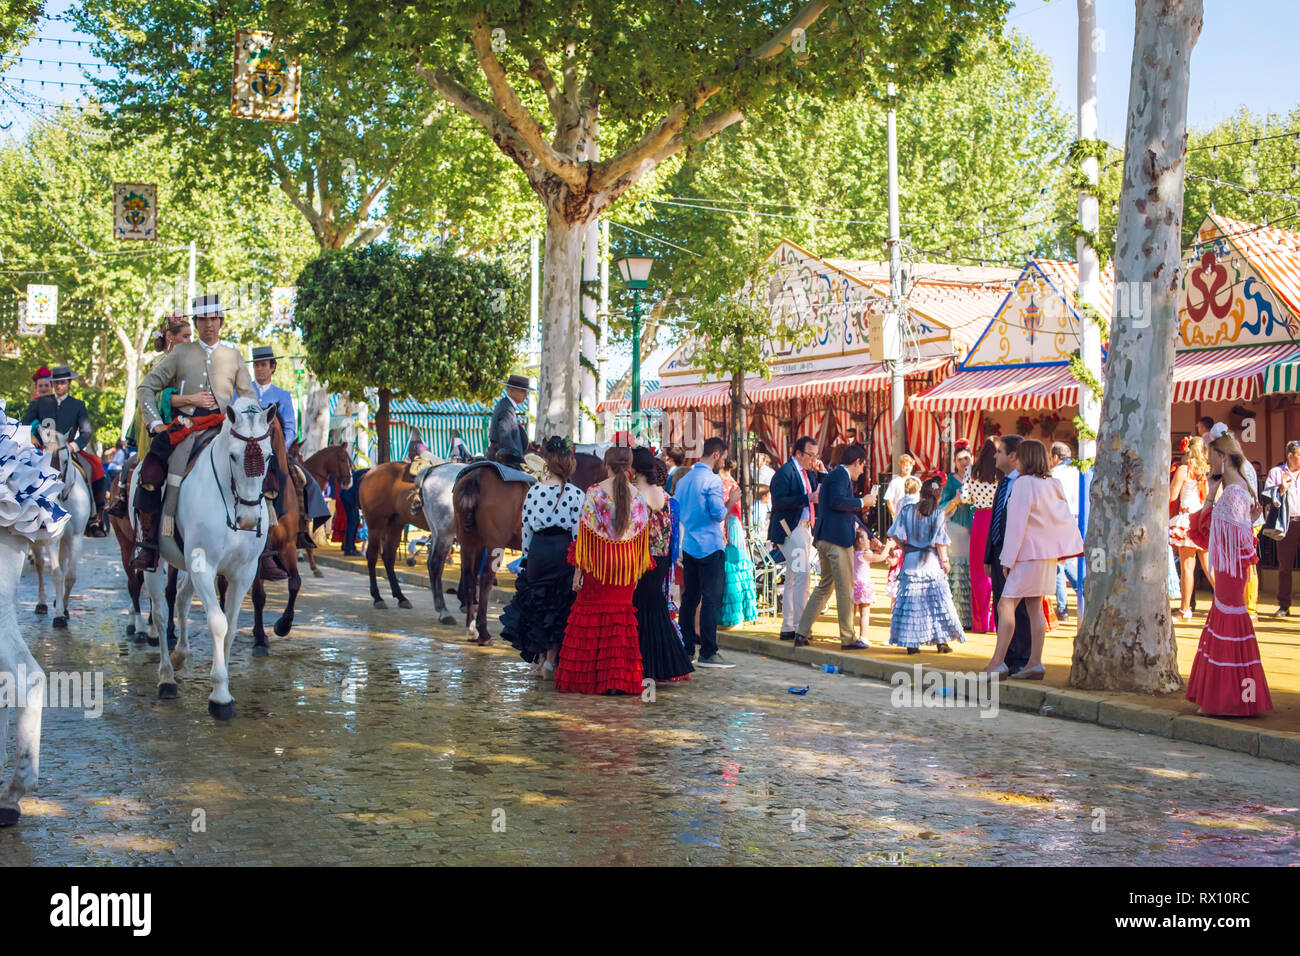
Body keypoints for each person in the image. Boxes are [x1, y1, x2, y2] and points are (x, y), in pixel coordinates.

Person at [133, 294, 260, 573]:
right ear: (196, 321)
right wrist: (155, 423)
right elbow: (145, 388)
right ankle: (149, 544)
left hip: (226, 430)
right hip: (186, 429)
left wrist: (248, 421)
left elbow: (250, 397)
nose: (208, 325)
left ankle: (269, 546)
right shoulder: (180, 353)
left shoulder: (234, 356)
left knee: (267, 471)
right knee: (150, 473)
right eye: (202, 319)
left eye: (213, 318)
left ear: (221, 321)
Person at [1185, 428, 1272, 717]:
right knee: (1229, 626)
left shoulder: (1234, 493)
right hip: (1229, 570)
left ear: (1223, 456)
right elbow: (1213, 532)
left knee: (1228, 626)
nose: (1210, 462)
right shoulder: (1234, 491)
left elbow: (1237, 543)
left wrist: (1242, 522)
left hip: (1231, 572)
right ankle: (1234, 698)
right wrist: (1212, 495)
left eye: (1212, 456)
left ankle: (1228, 700)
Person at [984, 438, 1084, 679]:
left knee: (1005, 605)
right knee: (1034, 607)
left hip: (1026, 555)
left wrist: (1007, 560)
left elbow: (1016, 527)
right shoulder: (1053, 483)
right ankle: (1034, 662)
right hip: (1046, 555)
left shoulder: (1024, 484)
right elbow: (1061, 519)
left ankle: (999, 661)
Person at [555, 445, 651, 695]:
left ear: (606, 465)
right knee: (621, 619)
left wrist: (578, 572)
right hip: (626, 564)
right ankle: (617, 681)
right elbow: (643, 536)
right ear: (629, 468)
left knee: (590, 616)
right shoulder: (638, 496)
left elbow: (584, 535)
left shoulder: (594, 493)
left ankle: (588, 680)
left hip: (600, 563)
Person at [500, 436, 585, 678]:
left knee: (540, 604)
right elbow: (579, 534)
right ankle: (551, 660)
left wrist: (528, 558)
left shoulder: (534, 491)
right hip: (563, 552)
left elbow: (525, 528)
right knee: (559, 606)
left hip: (538, 551)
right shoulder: (576, 494)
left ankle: (540, 659)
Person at [794, 445, 876, 650]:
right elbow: (839, 502)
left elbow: (843, 509)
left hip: (825, 537)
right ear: (857, 462)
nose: (862, 472)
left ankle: (802, 631)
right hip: (837, 541)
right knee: (845, 588)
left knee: (824, 587)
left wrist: (870, 535)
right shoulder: (840, 476)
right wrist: (861, 501)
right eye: (862, 467)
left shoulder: (836, 476)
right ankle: (847, 637)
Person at [251, 344, 329, 545]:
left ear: (272, 367)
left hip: (276, 451)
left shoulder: (282, 395)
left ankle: (300, 527)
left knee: (303, 479)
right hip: (249, 451)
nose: (259, 369)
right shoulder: (243, 391)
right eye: (256, 365)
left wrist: (281, 450)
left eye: (263, 365)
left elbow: (290, 428)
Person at [630, 446, 694, 683]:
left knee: (644, 611)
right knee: (654, 611)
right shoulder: (668, 499)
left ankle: (648, 666)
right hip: (662, 560)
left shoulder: (636, 498)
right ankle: (662, 665)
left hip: (642, 560)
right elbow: (673, 534)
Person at [22, 364, 109, 537]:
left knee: (95, 466)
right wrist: (34, 434)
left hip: (69, 448)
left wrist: (72, 446)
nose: (59, 386)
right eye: (56, 383)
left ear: (69, 383)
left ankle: (95, 515)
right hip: (43, 450)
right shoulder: (41, 402)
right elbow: (24, 424)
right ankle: (26, 513)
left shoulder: (78, 404)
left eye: (63, 382)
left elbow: (86, 433)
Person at [673, 436, 738, 668]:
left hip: (689, 545)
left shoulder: (684, 480)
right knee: (710, 599)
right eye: (724, 456)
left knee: (690, 598)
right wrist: (731, 501)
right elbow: (718, 514)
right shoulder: (711, 481)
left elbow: (677, 512)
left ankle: (687, 646)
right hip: (710, 545)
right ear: (717, 455)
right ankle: (708, 651)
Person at [888, 473, 965, 654]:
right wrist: (945, 561)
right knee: (937, 603)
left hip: (911, 561)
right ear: (938, 496)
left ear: (921, 493)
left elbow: (894, 533)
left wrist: (905, 547)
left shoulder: (907, 510)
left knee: (912, 605)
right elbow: (940, 542)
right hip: (931, 562)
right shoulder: (938, 514)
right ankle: (941, 642)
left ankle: (912, 644)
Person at [983, 434, 1032, 674]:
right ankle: (1007, 656)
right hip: (999, 555)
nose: (995, 455)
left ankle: (1019, 658)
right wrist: (989, 556)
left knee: (1017, 609)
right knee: (1001, 604)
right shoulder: (1004, 483)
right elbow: (996, 520)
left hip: (1017, 556)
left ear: (1013, 456)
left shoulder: (1026, 483)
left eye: (1000, 451)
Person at [767, 436, 822, 642]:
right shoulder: (785, 472)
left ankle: (789, 625)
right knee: (802, 575)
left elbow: (818, 491)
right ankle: (801, 625)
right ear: (798, 453)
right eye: (810, 455)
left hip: (805, 528)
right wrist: (806, 498)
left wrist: (821, 471)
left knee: (793, 577)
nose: (812, 459)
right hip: (791, 529)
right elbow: (779, 501)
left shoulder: (807, 473)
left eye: (815, 455)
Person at [1170, 435, 1213, 621]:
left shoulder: (1183, 470)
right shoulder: (1209, 471)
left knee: (1188, 567)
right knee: (1209, 567)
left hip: (1187, 520)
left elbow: (1172, 496)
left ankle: (1185, 609)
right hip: (1203, 520)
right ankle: (1227, 605)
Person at [961, 438, 1000, 633]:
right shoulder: (1000, 473)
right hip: (997, 519)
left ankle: (980, 622)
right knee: (997, 568)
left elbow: (965, 497)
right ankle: (995, 622)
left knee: (978, 571)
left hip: (979, 518)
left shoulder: (971, 471)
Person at [717, 455, 759, 628]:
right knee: (739, 569)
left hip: (726, 525)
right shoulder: (733, 482)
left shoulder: (720, 483)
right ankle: (743, 611)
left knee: (729, 571)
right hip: (736, 526)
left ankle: (730, 617)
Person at [1263, 439, 1300, 617]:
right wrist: (1282, 489)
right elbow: (1267, 498)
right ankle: (1284, 605)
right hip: (1288, 522)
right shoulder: (1277, 472)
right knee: (1285, 565)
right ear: (1290, 456)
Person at [940, 442, 974, 629]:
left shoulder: (976, 478)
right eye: (960, 459)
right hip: (957, 528)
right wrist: (954, 501)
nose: (964, 462)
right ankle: (957, 617)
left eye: (966, 458)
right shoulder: (951, 482)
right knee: (958, 571)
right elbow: (941, 508)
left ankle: (971, 618)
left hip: (974, 528)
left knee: (972, 571)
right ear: (954, 462)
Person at [1049, 441, 1082, 620]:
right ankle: (1082, 592)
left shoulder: (1055, 474)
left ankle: (1063, 607)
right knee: (1067, 561)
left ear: (1055, 457)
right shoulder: (1079, 471)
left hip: (1060, 518)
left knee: (1059, 565)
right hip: (1077, 517)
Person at [851, 526, 890, 643]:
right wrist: (888, 546)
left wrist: (877, 548)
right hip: (862, 587)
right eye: (867, 539)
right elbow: (881, 557)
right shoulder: (864, 555)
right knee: (865, 612)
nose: (869, 541)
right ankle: (863, 636)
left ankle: (849, 633)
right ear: (860, 541)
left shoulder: (854, 553)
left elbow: (876, 554)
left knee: (851, 613)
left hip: (852, 586)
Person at [487, 375, 532, 467]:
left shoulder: (507, 406)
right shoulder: (507, 408)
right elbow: (505, 436)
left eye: (526, 391)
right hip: (506, 461)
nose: (525, 394)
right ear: (511, 390)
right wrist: (518, 458)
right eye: (523, 391)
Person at [883, 453, 916, 520]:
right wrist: (896, 515)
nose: (908, 468)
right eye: (905, 465)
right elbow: (889, 500)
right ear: (901, 466)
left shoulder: (916, 481)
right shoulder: (895, 482)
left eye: (910, 465)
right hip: (900, 518)